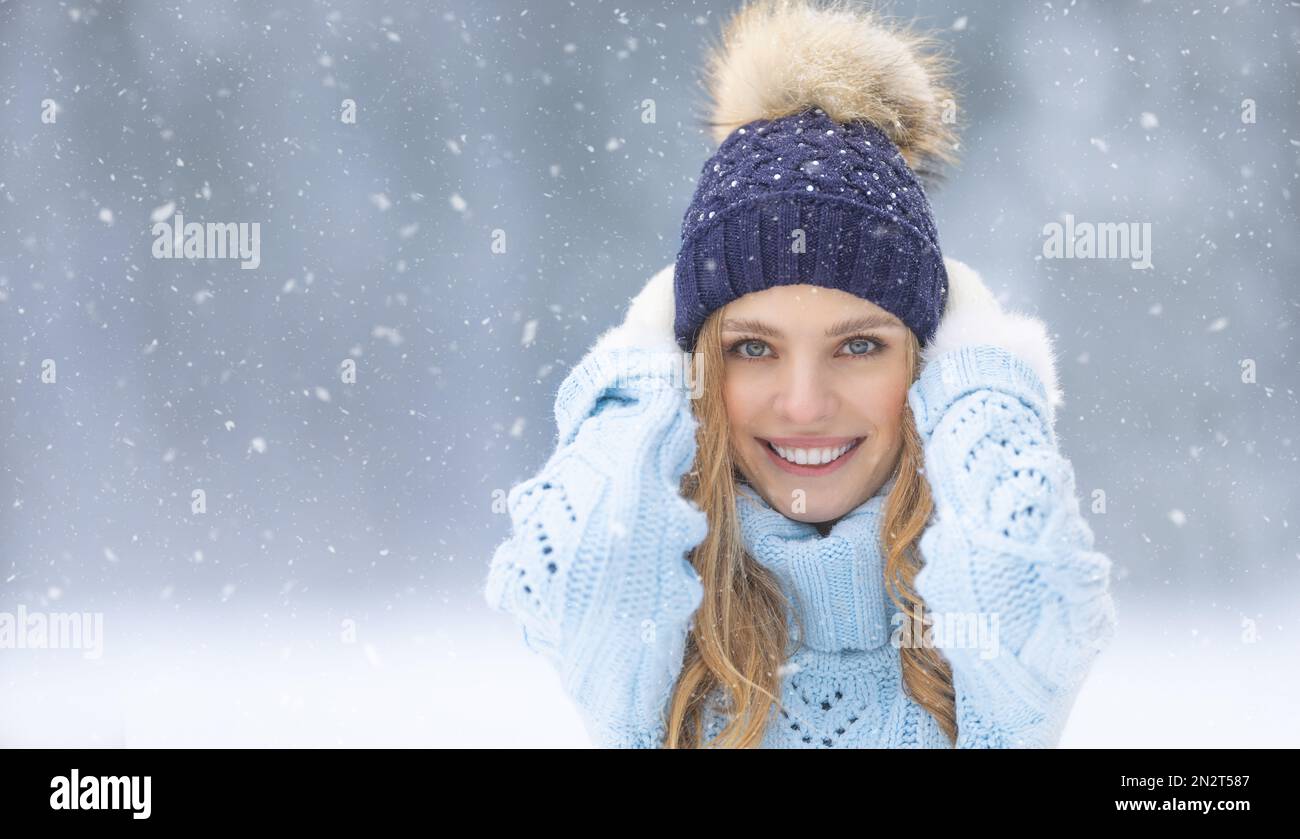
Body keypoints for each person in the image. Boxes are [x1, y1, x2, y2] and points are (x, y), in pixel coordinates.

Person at [484, 0, 1117, 748]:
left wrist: (977, 366)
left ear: (926, 361)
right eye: (753, 348)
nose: (806, 404)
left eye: (859, 347)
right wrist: (646, 350)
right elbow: (574, 567)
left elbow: (1036, 581)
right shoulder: (658, 641)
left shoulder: (972, 659)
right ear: (692, 370)